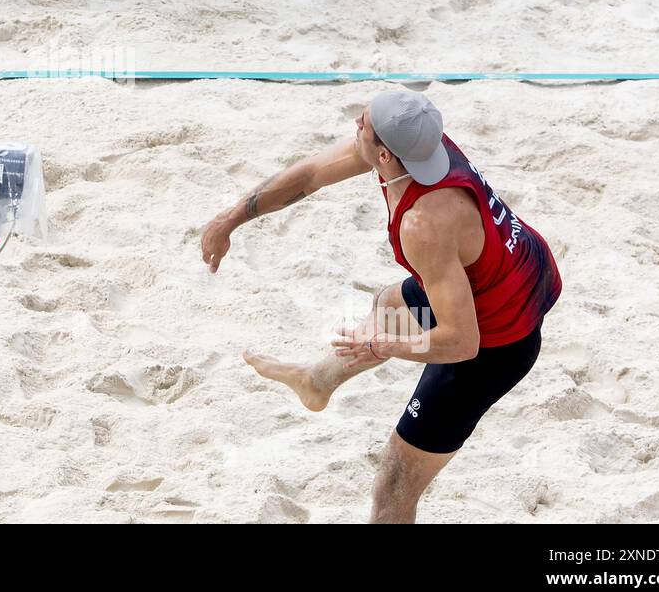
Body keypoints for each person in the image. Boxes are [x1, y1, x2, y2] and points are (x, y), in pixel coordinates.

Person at [200, 90, 562, 522]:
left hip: (495, 346)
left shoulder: (424, 224)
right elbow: (311, 174)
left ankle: (332, 377)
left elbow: (462, 342)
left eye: (364, 126)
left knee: (393, 484)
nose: (356, 123)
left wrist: (386, 346)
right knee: (390, 302)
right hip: (521, 269)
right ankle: (317, 382)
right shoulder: (423, 147)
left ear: (385, 154)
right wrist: (230, 220)